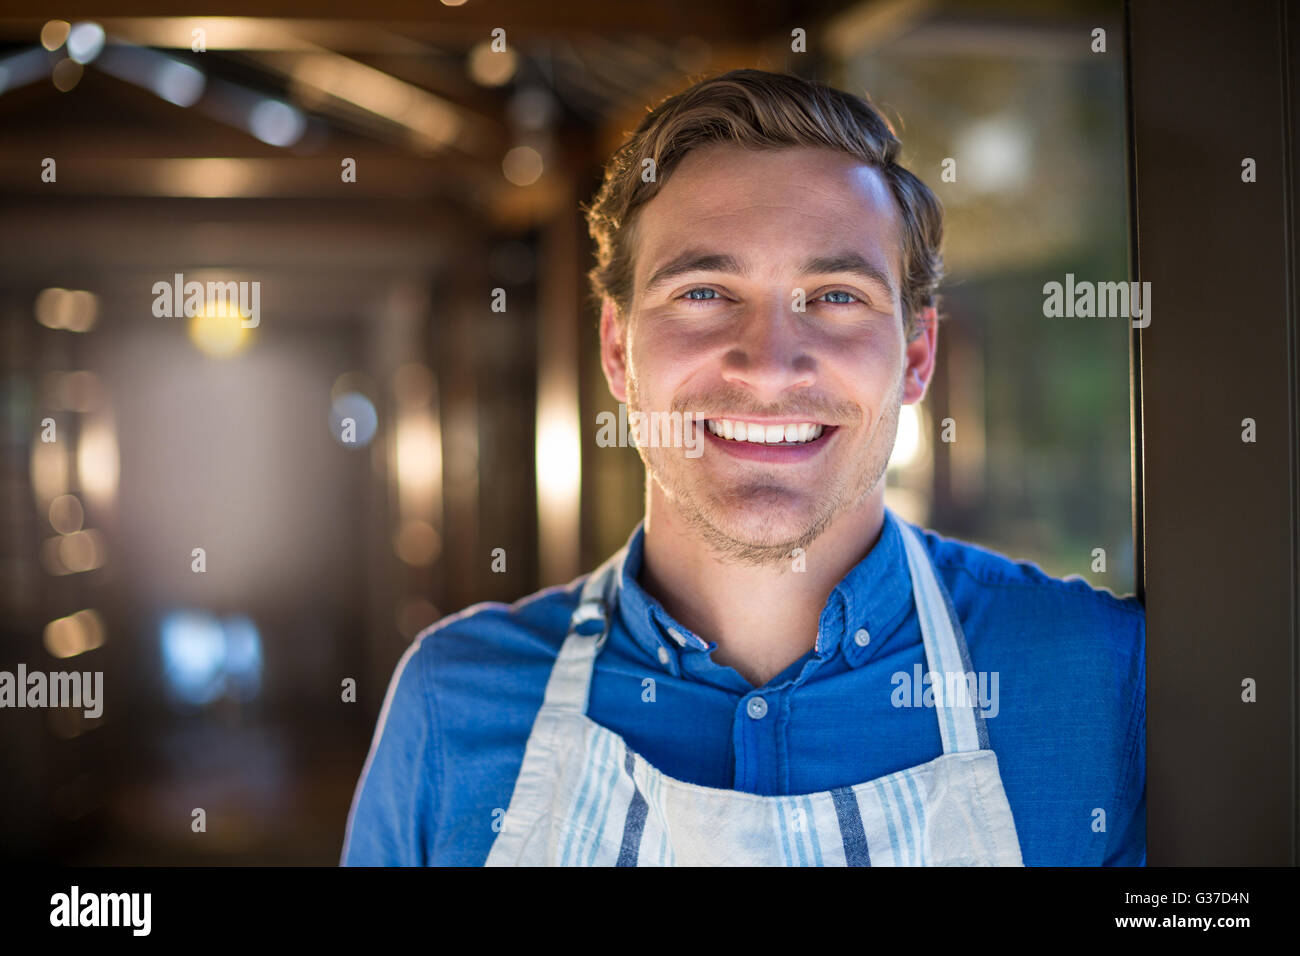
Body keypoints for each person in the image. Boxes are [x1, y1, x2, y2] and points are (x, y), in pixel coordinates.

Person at [341, 69, 1145, 867]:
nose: (768, 367)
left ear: (916, 354)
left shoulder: (1101, 679)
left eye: (834, 295)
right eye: (703, 292)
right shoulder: (453, 705)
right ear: (619, 351)